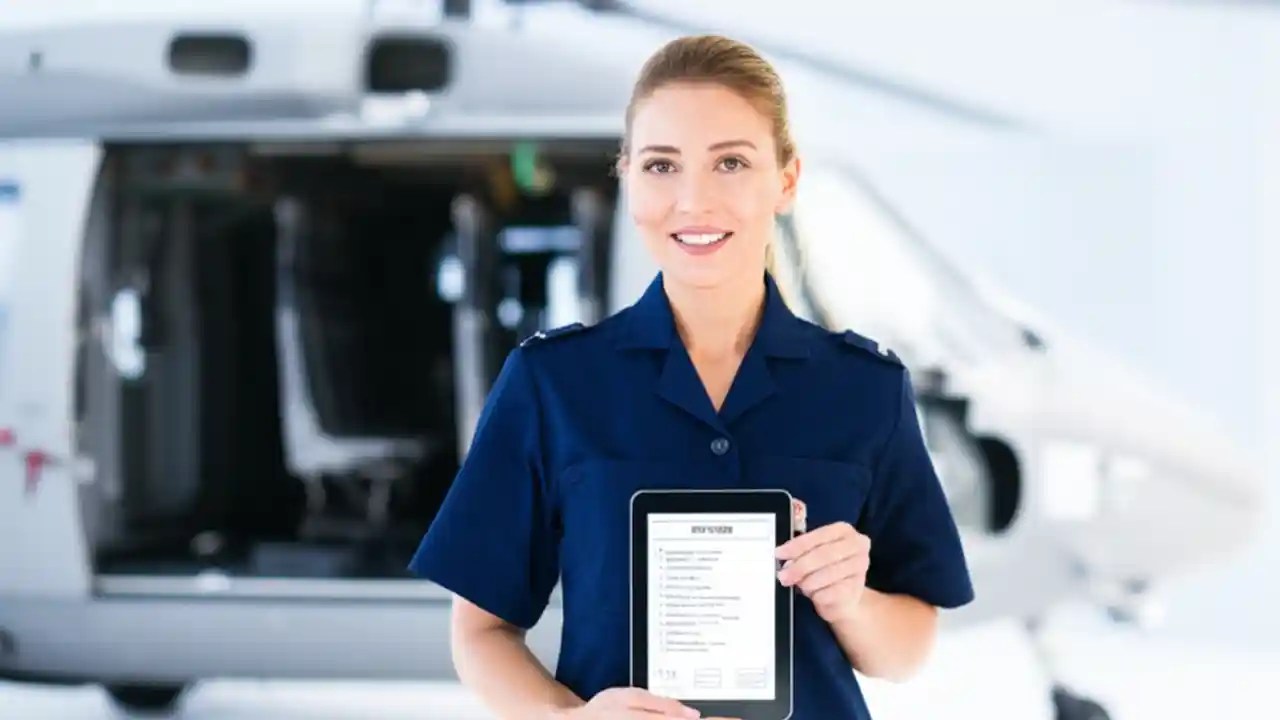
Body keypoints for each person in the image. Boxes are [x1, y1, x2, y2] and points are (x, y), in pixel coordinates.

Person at [408, 33, 974, 720]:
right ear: (627, 178)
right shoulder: (551, 384)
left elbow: (907, 649)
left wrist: (850, 601)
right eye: (661, 166)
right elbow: (480, 630)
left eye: (731, 162)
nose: (693, 200)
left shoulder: (866, 389)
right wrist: (569, 719)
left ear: (786, 181)